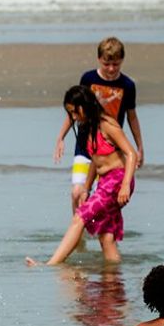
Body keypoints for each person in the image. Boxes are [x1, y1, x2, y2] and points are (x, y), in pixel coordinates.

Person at [28, 85, 137, 265]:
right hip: (104, 183)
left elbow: (131, 153)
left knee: (80, 217)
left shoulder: (107, 125)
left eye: (74, 112)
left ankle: (50, 265)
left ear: (85, 106)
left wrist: (125, 185)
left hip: (117, 180)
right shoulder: (89, 127)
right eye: (70, 113)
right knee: (106, 237)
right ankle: (113, 281)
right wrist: (86, 188)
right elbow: (95, 160)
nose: (73, 117)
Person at [53, 37, 144, 213]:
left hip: (110, 150)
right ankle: (78, 233)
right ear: (99, 59)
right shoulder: (89, 79)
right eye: (106, 64)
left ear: (122, 61)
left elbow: (132, 117)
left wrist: (140, 146)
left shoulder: (127, 85)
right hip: (85, 146)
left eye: (116, 64)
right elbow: (74, 109)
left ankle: (98, 232)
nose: (111, 69)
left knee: (102, 197)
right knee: (77, 193)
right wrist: (60, 137)